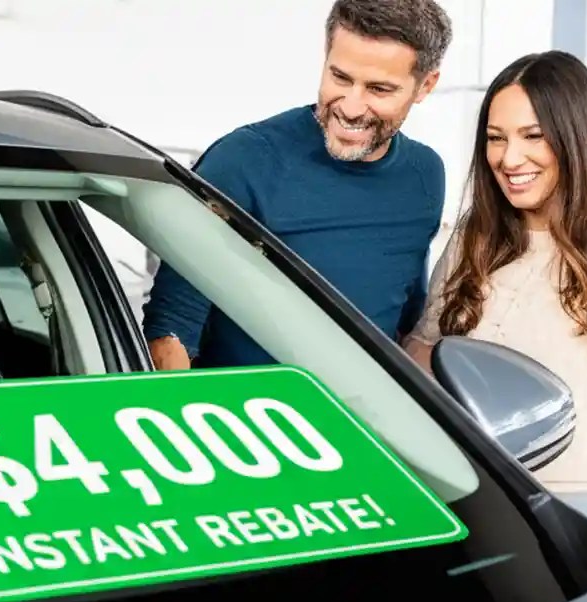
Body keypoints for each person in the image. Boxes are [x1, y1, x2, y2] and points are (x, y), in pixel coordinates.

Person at [402, 51, 587, 570]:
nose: (509, 158)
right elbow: (424, 349)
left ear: (575, 138)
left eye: (532, 136)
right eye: (496, 138)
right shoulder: (473, 241)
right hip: (472, 503)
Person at [142, 0, 453, 370]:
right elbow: (170, 333)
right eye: (340, 78)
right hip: (252, 405)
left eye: (379, 89)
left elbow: (406, 316)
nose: (351, 108)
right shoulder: (242, 161)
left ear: (425, 85)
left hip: (363, 406)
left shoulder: (425, 174)